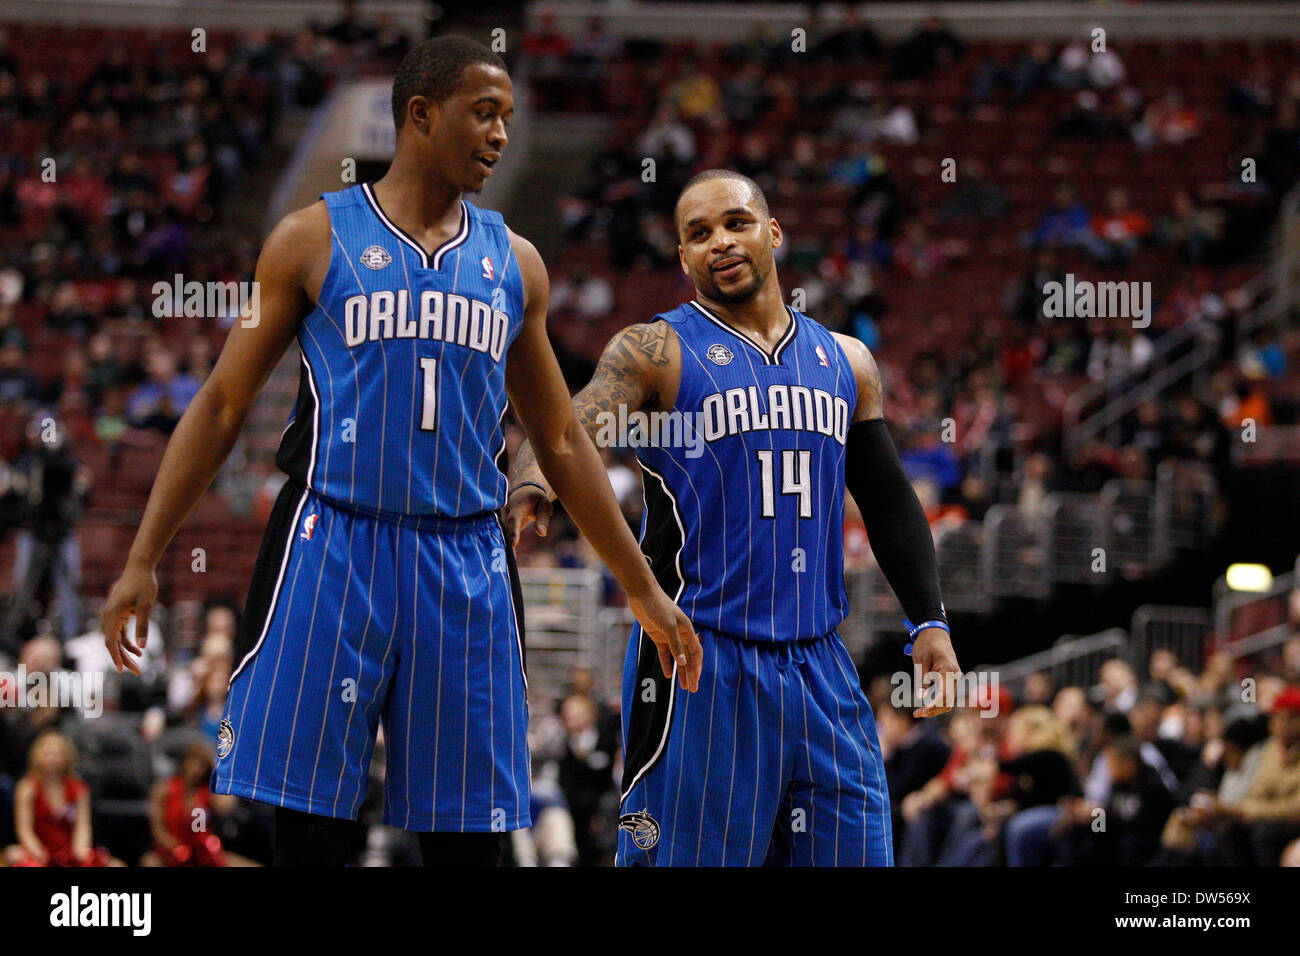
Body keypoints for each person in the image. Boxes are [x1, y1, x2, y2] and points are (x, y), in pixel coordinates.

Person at [100, 36, 701, 869]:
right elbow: (223, 403)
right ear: (419, 114)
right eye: (483, 113)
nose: (499, 134)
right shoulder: (310, 239)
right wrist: (143, 557)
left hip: (464, 557)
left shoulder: (516, 264)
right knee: (312, 833)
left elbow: (560, 438)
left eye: (508, 119)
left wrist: (642, 588)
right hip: (332, 543)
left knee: (472, 841)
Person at [507, 169, 960, 866]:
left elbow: (890, 498)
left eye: (736, 222)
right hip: (697, 657)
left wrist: (928, 621)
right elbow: (579, 423)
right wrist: (536, 481)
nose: (720, 241)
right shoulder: (655, 350)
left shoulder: (848, 361)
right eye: (698, 233)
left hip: (819, 664)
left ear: (773, 233)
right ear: (683, 259)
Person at [5, 730, 121, 867]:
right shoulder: (27, 787)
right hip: (38, 850)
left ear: (67, 756)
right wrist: (39, 852)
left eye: (57, 753)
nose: (52, 758)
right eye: (47, 753)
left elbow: (82, 827)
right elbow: (24, 828)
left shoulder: (79, 789)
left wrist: (80, 852)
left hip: (69, 850)